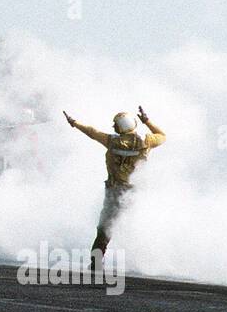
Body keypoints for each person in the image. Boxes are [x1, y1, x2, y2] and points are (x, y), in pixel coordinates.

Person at [63, 105, 165, 267]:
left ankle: (96, 260)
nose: (113, 127)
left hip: (115, 190)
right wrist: (147, 121)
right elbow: (162, 135)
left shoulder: (112, 142)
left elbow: (92, 132)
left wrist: (74, 123)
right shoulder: (146, 141)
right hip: (135, 191)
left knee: (105, 226)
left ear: (121, 126)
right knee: (135, 223)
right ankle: (148, 259)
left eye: (115, 125)